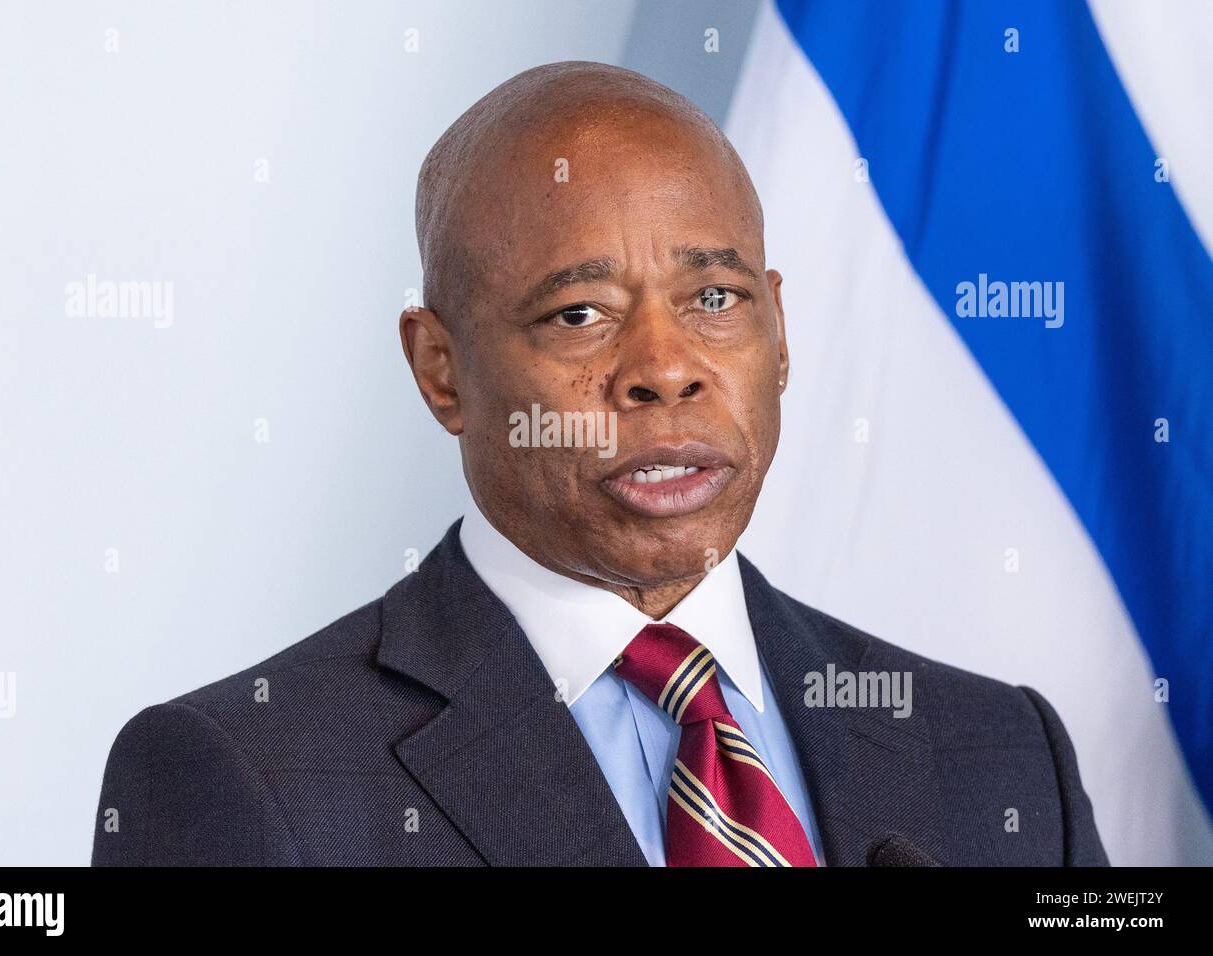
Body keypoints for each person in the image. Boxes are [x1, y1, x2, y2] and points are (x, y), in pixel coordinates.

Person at [91, 61, 1108, 867]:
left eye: (715, 299)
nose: (665, 370)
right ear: (439, 369)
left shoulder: (999, 751)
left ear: (781, 331)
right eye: (579, 315)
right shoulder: (242, 772)